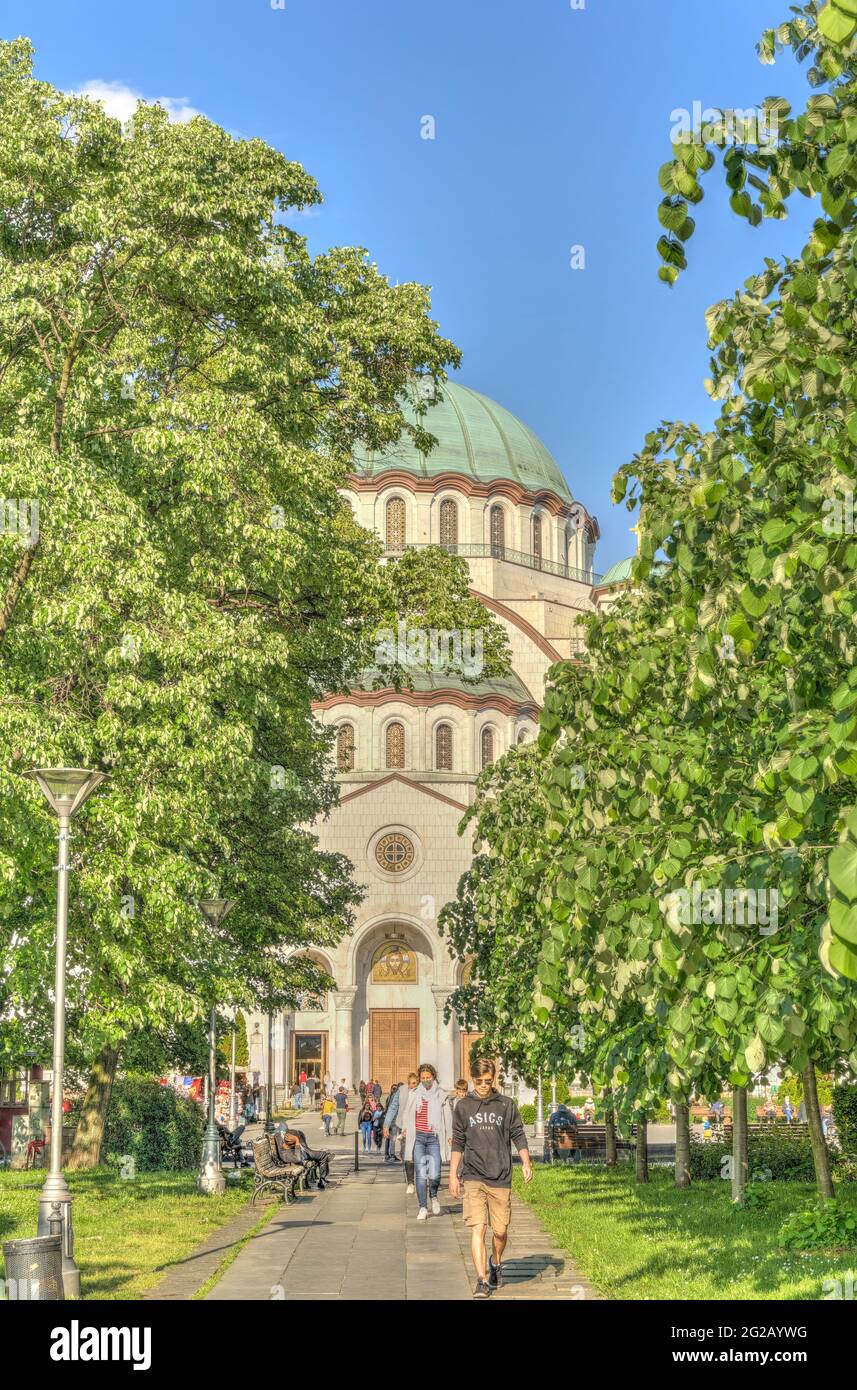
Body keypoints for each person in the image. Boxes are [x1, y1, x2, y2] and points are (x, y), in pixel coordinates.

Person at [450, 1058, 532, 1299]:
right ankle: (482, 1279)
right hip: (473, 1175)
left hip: (501, 1175)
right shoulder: (463, 1106)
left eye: (488, 1081)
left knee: (500, 1231)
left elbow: (518, 1134)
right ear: (473, 1079)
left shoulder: (506, 1105)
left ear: (494, 1078)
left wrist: (526, 1162)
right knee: (479, 1228)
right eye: (479, 1082)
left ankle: (495, 1262)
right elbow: (458, 1141)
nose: (484, 1085)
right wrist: (454, 1174)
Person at [398, 1062, 450, 1221]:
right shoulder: (414, 1094)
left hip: (434, 1138)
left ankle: (433, 1196)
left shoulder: (441, 1095)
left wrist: (450, 1135)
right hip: (418, 1138)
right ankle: (422, 1207)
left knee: (434, 1173)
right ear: (420, 1079)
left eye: (429, 1077)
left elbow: (447, 1117)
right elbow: (407, 1113)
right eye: (423, 1078)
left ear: (434, 1077)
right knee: (420, 1174)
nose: (426, 1080)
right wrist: (405, 1128)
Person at [382, 1082, 403, 1161]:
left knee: (389, 1138)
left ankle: (387, 1155)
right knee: (393, 1138)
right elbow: (392, 1109)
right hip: (393, 1120)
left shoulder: (390, 1096)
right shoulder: (396, 1097)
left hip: (389, 1119)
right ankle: (392, 1155)